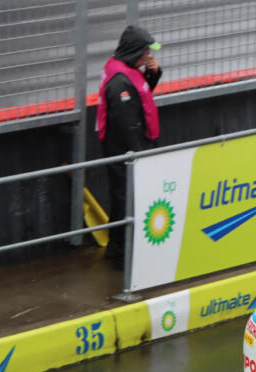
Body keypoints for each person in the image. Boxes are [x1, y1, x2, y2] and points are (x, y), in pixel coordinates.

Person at [96, 25, 163, 268]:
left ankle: (118, 251)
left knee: (124, 198)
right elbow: (128, 124)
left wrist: (153, 75)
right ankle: (121, 257)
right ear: (135, 51)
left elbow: (139, 100)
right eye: (146, 51)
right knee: (125, 200)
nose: (149, 56)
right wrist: (142, 155)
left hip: (127, 151)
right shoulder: (119, 82)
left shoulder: (126, 72)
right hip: (124, 152)